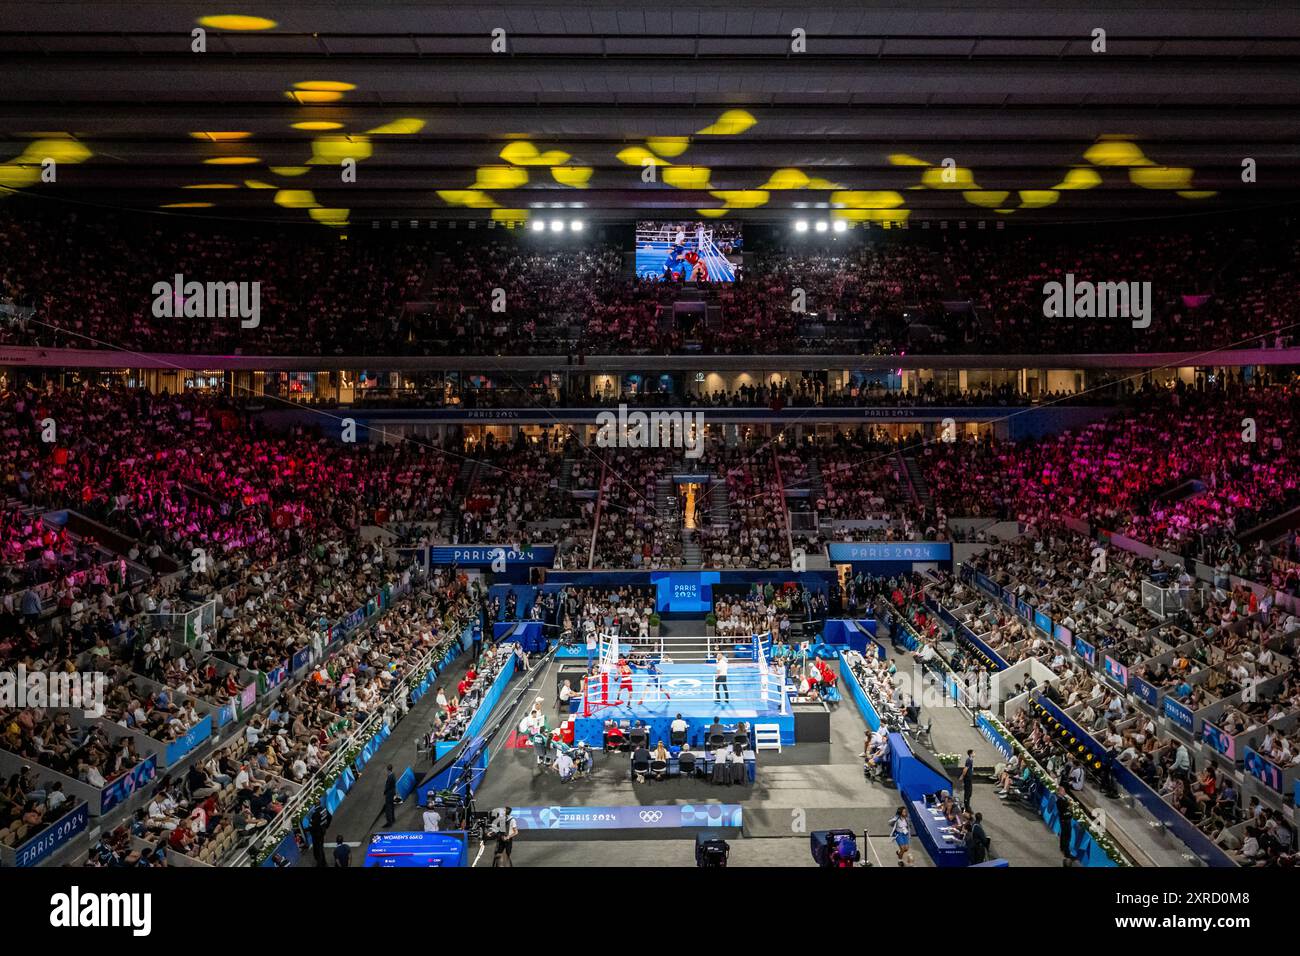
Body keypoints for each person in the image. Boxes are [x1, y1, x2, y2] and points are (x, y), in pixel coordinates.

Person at [308, 803, 331, 867]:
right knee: (320, 848)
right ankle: (323, 863)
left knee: (319, 849)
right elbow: (329, 817)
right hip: (322, 831)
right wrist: (326, 826)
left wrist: (308, 829)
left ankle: (321, 864)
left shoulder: (315, 814)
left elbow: (314, 825)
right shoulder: (324, 809)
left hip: (317, 834)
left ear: (315, 805)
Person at [1055, 785, 1074, 863]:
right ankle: (1067, 854)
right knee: (1067, 837)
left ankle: (1062, 847)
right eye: (1063, 791)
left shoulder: (1064, 798)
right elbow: (1066, 807)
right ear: (1059, 792)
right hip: (1065, 820)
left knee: (1064, 835)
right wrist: (1069, 804)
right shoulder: (1059, 800)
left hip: (1066, 819)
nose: (1064, 792)